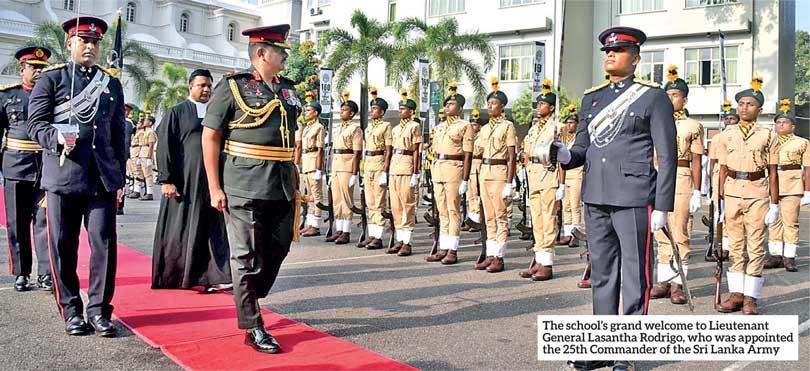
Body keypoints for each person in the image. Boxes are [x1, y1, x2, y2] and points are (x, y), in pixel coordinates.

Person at [556, 26, 677, 371]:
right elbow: (581, 149)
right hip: (596, 195)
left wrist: (663, 206)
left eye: (619, 50)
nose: (610, 55)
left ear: (636, 59)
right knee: (603, 275)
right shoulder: (591, 98)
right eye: (608, 51)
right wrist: (563, 154)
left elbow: (667, 155)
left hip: (635, 196)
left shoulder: (652, 97)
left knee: (636, 276)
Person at [201, 24, 300, 354]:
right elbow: (211, 136)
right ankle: (253, 324)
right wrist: (215, 187)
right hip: (243, 181)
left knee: (279, 246)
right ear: (261, 53)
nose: (285, 56)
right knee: (245, 255)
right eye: (279, 51)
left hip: (283, 181)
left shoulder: (288, 89)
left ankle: (250, 296)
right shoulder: (233, 87)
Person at [26, 16, 126, 337]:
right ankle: (71, 309)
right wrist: (56, 137)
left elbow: (117, 134)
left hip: (101, 179)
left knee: (104, 246)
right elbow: (35, 125)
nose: (90, 46)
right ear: (69, 43)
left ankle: (99, 309)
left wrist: (119, 178)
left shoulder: (110, 84)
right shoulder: (52, 80)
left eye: (95, 42)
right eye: (83, 41)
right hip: (64, 176)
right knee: (62, 245)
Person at [151, 68, 231, 291]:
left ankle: (213, 277)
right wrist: (166, 180)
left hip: (211, 181)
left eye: (209, 85)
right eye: (201, 85)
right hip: (184, 182)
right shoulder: (176, 112)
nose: (206, 89)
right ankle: (177, 276)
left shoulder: (217, 112)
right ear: (190, 87)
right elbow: (165, 146)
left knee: (212, 227)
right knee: (182, 227)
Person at [715, 77, 781, 315]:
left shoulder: (768, 135)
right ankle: (736, 295)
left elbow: (773, 171)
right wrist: (719, 200)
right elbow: (721, 169)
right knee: (735, 246)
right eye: (741, 103)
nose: (744, 107)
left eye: (750, 104)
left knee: (755, 245)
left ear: (759, 110)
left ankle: (751, 297)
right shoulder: (726, 134)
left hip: (758, 191)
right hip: (732, 191)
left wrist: (774, 204)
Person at [650, 66, 704, 305]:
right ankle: (663, 280)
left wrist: (697, 191)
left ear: (685, 99)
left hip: (681, 175)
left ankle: (677, 284)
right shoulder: (654, 122)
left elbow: (696, 160)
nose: (671, 99)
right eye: (667, 95)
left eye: (675, 95)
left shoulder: (692, 125)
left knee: (680, 231)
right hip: (658, 175)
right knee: (660, 231)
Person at [0, 46, 52, 292]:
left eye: (43, 68)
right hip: (16, 166)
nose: (39, 72)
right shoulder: (7, 95)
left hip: (46, 168)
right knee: (17, 222)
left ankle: (45, 273)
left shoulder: (54, 97)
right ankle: (21, 273)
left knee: (46, 223)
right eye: (34, 67)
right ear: (22, 69)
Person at [425, 82, 473, 265]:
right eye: (446, 104)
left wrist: (465, 179)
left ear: (459, 109)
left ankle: (452, 249)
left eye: (451, 104)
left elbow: (468, 154)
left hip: (454, 168)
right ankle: (443, 247)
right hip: (438, 169)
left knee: (453, 210)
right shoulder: (440, 126)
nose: (447, 107)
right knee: (442, 211)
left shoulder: (464, 126)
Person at [519, 80, 561, 281]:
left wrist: (561, 184)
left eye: (542, 104)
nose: (538, 107)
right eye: (537, 104)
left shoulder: (556, 126)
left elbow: (561, 156)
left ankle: (547, 264)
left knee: (548, 219)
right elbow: (526, 150)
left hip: (549, 174)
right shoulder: (534, 128)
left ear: (551, 107)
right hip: (534, 175)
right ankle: (538, 259)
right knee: (536, 219)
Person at [474, 77, 517, 273]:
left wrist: (510, 181)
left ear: (502, 107)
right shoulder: (484, 128)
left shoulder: (507, 126)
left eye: (494, 104)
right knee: (489, 216)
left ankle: (499, 256)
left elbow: (511, 155)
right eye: (489, 103)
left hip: (500, 172)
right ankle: (490, 254)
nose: (490, 107)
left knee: (500, 215)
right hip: (485, 172)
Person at [764, 99, 808, 272]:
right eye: (778, 122)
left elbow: (808, 167)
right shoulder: (769, 142)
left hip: (792, 182)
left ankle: (789, 256)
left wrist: (808, 190)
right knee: (773, 221)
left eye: (784, 122)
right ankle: (775, 255)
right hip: (772, 181)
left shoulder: (802, 142)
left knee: (790, 221)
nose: (780, 125)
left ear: (793, 126)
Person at [385, 89, 422, 256]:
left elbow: (416, 151)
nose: (400, 110)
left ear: (411, 111)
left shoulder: (415, 126)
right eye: (400, 108)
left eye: (404, 108)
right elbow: (391, 150)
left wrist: (416, 172)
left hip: (407, 166)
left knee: (407, 204)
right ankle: (400, 238)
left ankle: (407, 241)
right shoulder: (395, 129)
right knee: (396, 205)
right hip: (395, 167)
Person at [357, 87, 392, 249]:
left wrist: (385, 171)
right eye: (372, 108)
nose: (372, 111)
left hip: (379, 162)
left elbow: (388, 150)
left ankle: (378, 237)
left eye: (375, 109)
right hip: (369, 163)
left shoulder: (386, 126)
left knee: (379, 201)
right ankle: (372, 233)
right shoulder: (369, 127)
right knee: (370, 202)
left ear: (382, 112)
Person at [326, 94, 363, 245]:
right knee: (337, 200)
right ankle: (339, 229)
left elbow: (357, 153)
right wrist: (329, 171)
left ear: (352, 113)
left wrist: (354, 173)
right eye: (341, 110)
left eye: (345, 110)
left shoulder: (356, 129)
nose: (342, 112)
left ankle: (346, 231)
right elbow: (334, 150)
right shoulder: (338, 128)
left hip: (347, 166)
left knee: (346, 200)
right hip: (336, 166)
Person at [706, 101, 739, 262]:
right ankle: (720, 246)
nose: (730, 122)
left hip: (735, 174)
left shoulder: (740, 137)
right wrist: (710, 185)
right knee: (719, 214)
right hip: (719, 173)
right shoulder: (718, 138)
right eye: (728, 119)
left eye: (733, 119)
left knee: (732, 215)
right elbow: (712, 161)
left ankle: (732, 247)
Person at [295, 91, 325, 237]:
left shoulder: (318, 127)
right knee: (310, 196)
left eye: (308, 111)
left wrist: (319, 169)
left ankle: (316, 225)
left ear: (316, 113)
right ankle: (311, 223)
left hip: (314, 163)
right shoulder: (307, 127)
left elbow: (320, 150)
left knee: (316, 195)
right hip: (307, 162)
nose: (306, 113)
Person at [558, 105, 582, 246]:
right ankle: (567, 233)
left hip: (577, 175)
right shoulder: (565, 139)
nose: (569, 125)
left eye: (572, 123)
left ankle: (576, 234)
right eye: (567, 123)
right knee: (566, 205)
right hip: (566, 176)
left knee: (575, 205)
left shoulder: (580, 139)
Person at [465, 108, 483, 233]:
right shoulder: (469, 136)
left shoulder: (482, 136)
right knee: (469, 194)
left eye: (475, 124)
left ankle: (477, 220)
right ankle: (471, 218)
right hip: (470, 165)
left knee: (476, 194)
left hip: (478, 163)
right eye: (471, 124)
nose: (472, 126)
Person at [118, 103, 136, 215]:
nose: (125, 112)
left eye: (127, 111)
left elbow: (125, 141)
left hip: (120, 157)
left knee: (120, 182)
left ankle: (119, 206)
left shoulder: (128, 123)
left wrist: (123, 157)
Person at [136, 112, 157, 200]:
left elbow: (151, 145)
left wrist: (149, 157)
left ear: (150, 123)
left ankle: (149, 193)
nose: (144, 121)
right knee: (142, 173)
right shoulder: (145, 132)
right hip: (142, 153)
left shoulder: (151, 132)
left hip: (146, 153)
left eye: (146, 120)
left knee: (148, 174)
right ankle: (144, 191)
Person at [127, 114, 144, 199]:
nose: (137, 125)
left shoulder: (141, 133)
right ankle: (134, 189)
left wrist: (140, 156)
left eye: (139, 124)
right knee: (133, 171)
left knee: (138, 172)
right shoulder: (136, 133)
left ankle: (137, 191)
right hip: (133, 152)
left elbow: (141, 145)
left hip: (137, 152)